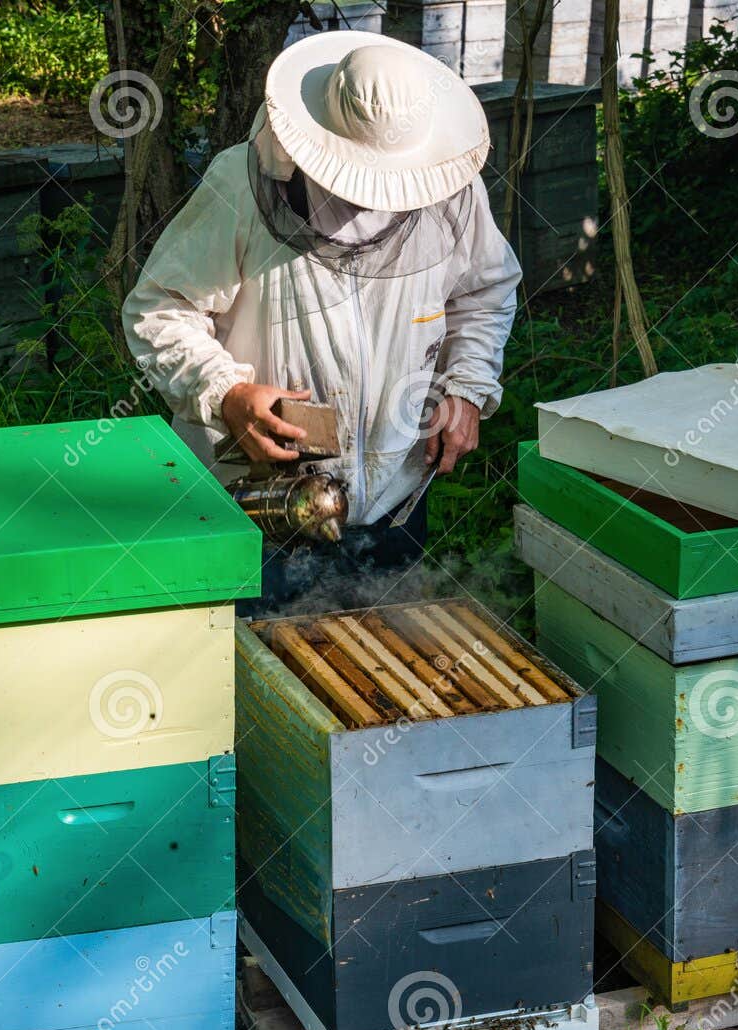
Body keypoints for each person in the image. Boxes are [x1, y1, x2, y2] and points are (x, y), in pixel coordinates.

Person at [123, 31, 521, 613]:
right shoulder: (241, 185)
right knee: (255, 665)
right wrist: (226, 393)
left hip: (395, 498)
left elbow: (484, 291)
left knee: (385, 659)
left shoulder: (448, 188)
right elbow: (160, 308)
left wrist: (466, 386)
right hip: (264, 503)